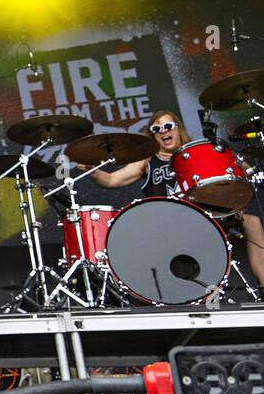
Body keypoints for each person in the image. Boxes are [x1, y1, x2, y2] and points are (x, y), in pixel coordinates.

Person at [84, 109, 264, 284]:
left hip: (205, 214)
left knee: (252, 221)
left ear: (178, 128)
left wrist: (244, 167)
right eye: (156, 129)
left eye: (168, 126)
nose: (163, 131)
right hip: (167, 221)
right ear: (153, 135)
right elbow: (112, 180)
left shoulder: (197, 151)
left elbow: (236, 169)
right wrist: (92, 171)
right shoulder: (147, 160)